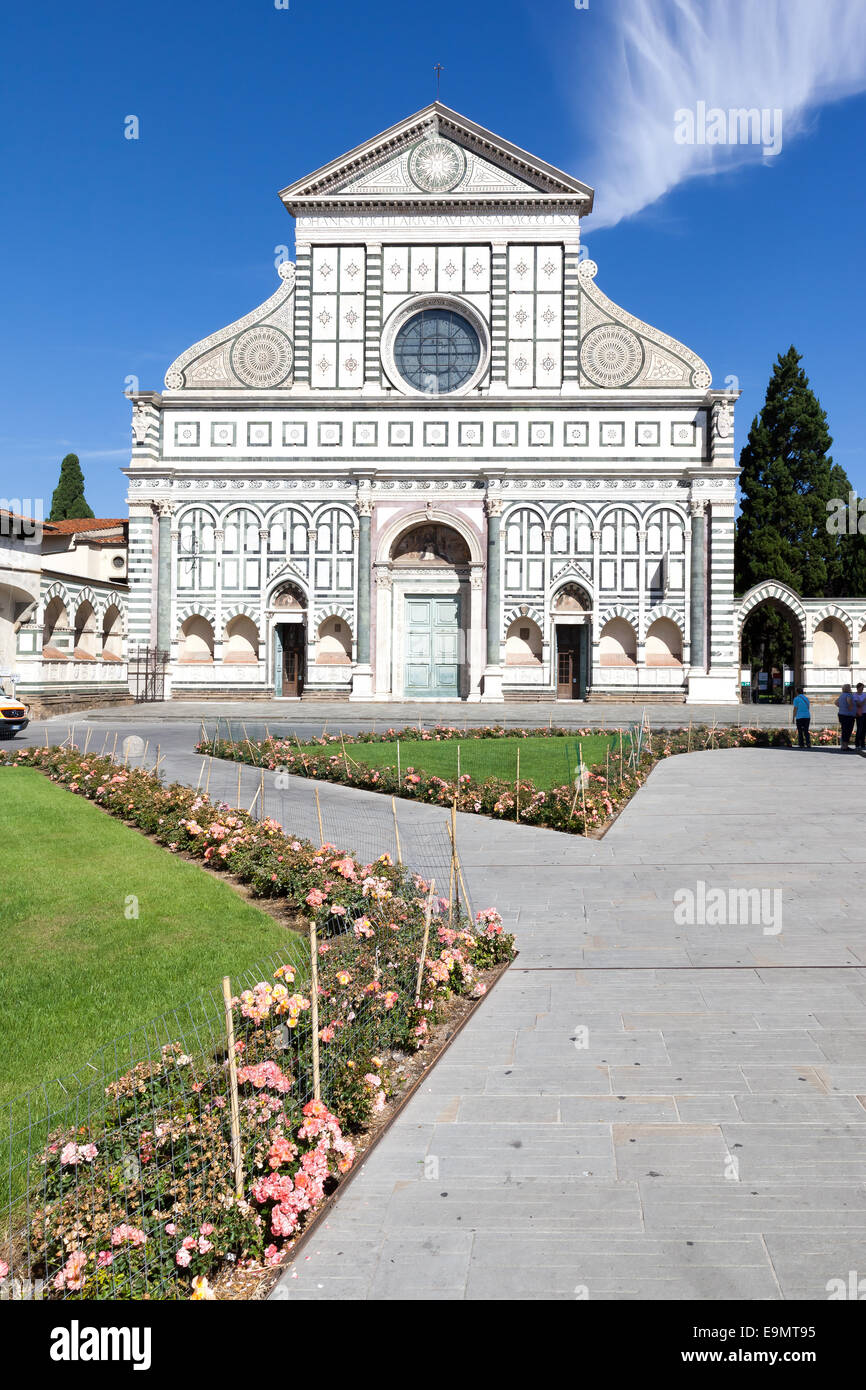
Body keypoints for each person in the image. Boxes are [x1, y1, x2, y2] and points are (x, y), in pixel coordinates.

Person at [835, 683, 856, 751]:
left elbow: (836, 702)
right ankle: (845, 746)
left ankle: (843, 746)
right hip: (848, 715)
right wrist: (850, 709)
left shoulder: (841, 695)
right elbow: (849, 702)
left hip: (841, 714)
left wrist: (841, 707)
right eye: (850, 687)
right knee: (848, 730)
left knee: (844, 730)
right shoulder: (848, 695)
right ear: (848, 688)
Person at [854, 682, 866, 753]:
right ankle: (857, 743)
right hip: (859, 714)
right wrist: (865, 700)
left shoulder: (864, 694)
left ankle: (862, 744)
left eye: (863, 688)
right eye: (861, 688)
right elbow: (859, 704)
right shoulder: (855, 695)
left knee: (864, 729)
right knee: (859, 728)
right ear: (858, 688)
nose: (862, 689)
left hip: (865, 713)